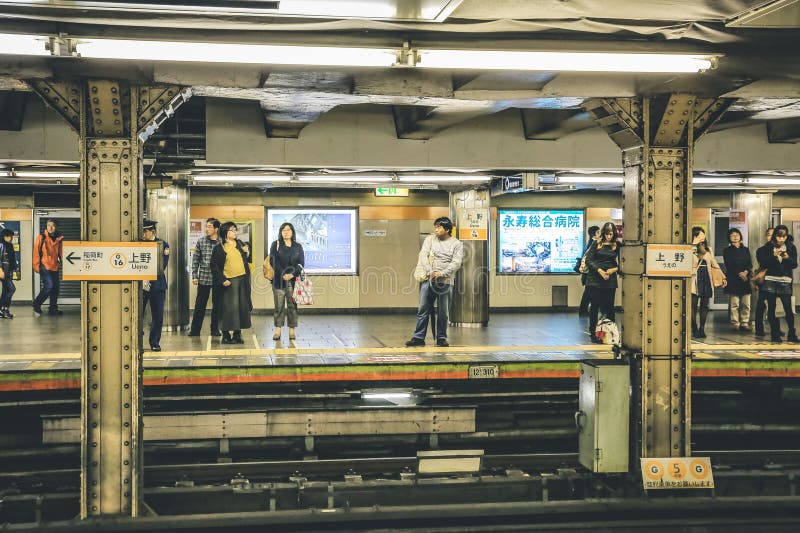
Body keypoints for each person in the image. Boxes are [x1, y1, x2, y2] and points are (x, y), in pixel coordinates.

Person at [405, 216, 464, 348]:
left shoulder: (457, 244)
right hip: (428, 279)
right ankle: (418, 337)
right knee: (423, 309)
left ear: (447, 229)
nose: (436, 229)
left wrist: (442, 273)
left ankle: (441, 338)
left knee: (443, 312)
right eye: (435, 226)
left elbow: (456, 262)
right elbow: (423, 255)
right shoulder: (430, 239)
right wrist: (430, 271)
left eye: (439, 227)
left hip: (446, 281)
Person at [755, 225, 799, 343]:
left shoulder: (790, 247)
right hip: (770, 279)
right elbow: (762, 263)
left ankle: (792, 334)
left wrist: (787, 258)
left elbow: (794, 264)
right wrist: (773, 256)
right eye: (779, 236)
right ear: (774, 236)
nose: (781, 239)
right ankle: (775, 334)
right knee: (772, 308)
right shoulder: (766, 248)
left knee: (788, 309)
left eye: (784, 236)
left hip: (785, 280)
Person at [211, 222, 252, 345]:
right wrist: (222, 279)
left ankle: (237, 334)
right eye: (232, 230)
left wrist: (247, 253)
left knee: (241, 307)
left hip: (242, 280)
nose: (235, 232)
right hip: (228, 282)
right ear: (225, 233)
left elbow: (246, 261)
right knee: (229, 309)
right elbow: (214, 266)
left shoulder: (240, 244)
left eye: (235, 230)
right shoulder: (219, 248)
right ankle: (225, 334)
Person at [268, 222, 305, 341]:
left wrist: (292, 274)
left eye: (288, 230)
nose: (286, 232)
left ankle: (292, 330)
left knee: (292, 306)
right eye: (283, 230)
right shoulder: (276, 244)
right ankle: (278, 330)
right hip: (279, 280)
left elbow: (301, 263)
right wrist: (284, 274)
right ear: (280, 232)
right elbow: (273, 261)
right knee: (278, 307)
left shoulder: (298, 246)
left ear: (292, 232)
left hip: (293, 281)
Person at [584, 222, 620, 343]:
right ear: (603, 233)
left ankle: (611, 333)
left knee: (609, 308)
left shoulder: (618, 245)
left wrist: (612, 271)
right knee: (594, 307)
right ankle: (593, 333)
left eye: (611, 234)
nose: (609, 236)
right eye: (607, 234)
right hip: (594, 279)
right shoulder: (597, 243)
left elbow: (625, 263)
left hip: (610, 280)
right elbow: (588, 259)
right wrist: (600, 271)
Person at [188, 218, 222, 337]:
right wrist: (194, 276)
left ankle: (215, 329)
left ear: (216, 229)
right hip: (203, 277)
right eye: (206, 226)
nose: (207, 229)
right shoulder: (201, 241)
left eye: (209, 226)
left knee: (217, 305)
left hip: (218, 279)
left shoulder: (222, 242)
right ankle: (195, 330)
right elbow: (195, 259)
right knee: (199, 305)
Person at [691, 227, 726, 339]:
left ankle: (702, 328)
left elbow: (714, 263)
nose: (702, 236)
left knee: (704, 305)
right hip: (694, 278)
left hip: (706, 276)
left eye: (703, 234)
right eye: (699, 235)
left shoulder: (708, 249)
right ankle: (694, 328)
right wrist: (693, 245)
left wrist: (723, 277)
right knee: (693, 305)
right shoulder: (689, 248)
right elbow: (691, 262)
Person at [141, 220, 170, 351]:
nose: (143, 234)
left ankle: (154, 342)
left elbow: (161, 265)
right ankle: (137, 342)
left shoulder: (162, 244)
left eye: (145, 231)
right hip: (140, 284)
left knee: (157, 316)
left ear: (153, 231)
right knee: (137, 315)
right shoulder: (138, 244)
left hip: (157, 284)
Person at [722, 228, 753, 332]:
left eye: (737, 234)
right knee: (734, 303)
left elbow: (750, 264)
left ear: (740, 236)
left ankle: (744, 322)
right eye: (732, 235)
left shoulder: (746, 249)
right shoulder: (727, 251)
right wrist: (739, 273)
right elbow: (728, 264)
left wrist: (746, 272)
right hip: (733, 278)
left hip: (745, 279)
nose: (735, 236)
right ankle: (735, 323)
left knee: (746, 303)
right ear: (729, 238)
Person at [32, 218, 64, 316]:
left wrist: (64, 264)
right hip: (44, 266)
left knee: (56, 288)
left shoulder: (59, 239)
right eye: (48, 225)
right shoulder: (41, 238)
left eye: (53, 225)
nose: (50, 228)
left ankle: (53, 309)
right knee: (49, 286)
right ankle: (37, 304)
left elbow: (61, 253)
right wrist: (36, 266)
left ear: (56, 227)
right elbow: (36, 252)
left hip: (54, 266)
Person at [754, 227, 775, 337]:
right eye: (768, 234)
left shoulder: (781, 248)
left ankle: (776, 328)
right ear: (766, 236)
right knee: (761, 305)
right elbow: (763, 263)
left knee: (775, 306)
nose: (770, 237)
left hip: (778, 281)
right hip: (765, 280)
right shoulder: (761, 250)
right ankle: (759, 329)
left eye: (773, 234)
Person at [577, 225, 601, 316]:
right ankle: (583, 310)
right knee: (588, 293)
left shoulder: (589, 244)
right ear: (593, 235)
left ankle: (583, 310)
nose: (600, 234)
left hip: (587, 274)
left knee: (588, 293)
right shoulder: (593, 245)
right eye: (598, 232)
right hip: (590, 274)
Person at [0, 228, 17, 319]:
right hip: (3, 271)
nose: (10, 238)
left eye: (11, 236)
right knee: (11, 289)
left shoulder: (10, 245)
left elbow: (12, 259)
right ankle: (5, 309)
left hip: (8, 271)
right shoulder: (1, 245)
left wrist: (15, 270)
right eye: (8, 236)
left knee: (6, 290)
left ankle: (1, 310)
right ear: (3, 236)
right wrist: (0, 270)